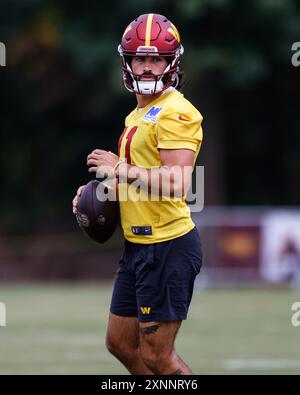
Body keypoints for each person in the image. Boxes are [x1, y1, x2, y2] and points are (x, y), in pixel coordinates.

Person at [72, 13, 203, 375]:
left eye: (156, 59)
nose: (147, 68)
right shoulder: (138, 114)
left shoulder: (178, 112)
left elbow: (177, 182)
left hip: (167, 245)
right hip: (137, 245)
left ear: (171, 62)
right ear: (127, 62)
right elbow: (133, 177)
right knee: (120, 343)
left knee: (157, 356)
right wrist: (97, 190)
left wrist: (119, 170)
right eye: (139, 59)